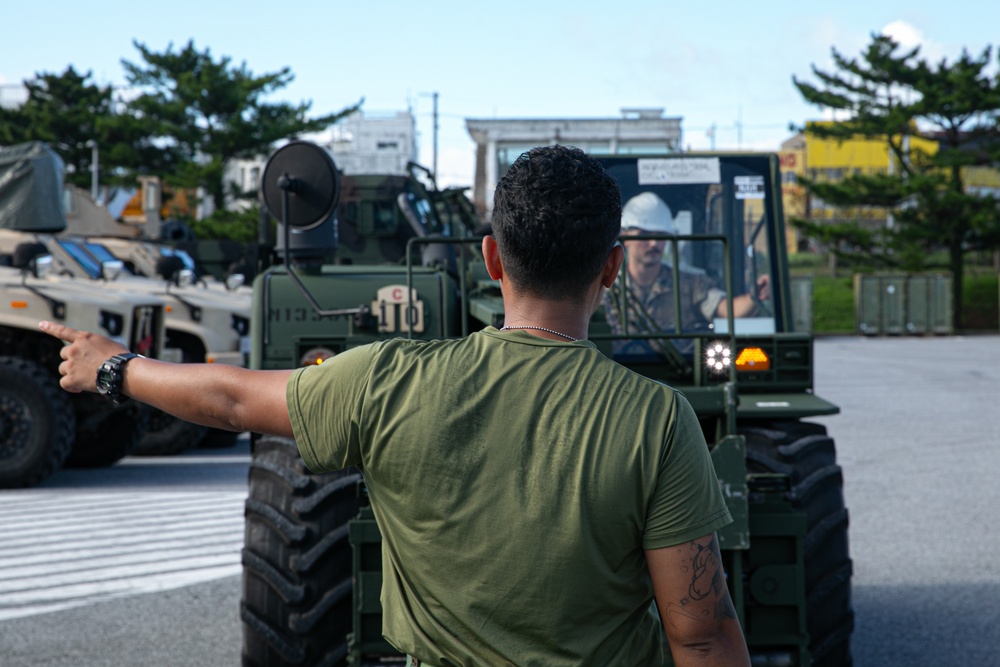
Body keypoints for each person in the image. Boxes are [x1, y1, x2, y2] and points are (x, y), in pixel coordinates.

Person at [42, 145, 750, 667]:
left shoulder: (388, 382)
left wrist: (114, 367)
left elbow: (229, 396)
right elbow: (702, 633)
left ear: (492, 259)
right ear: (611, 266)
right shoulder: (657, 419)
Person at [604, 192, 769, 356]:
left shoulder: (691, 283)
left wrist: (754, 296)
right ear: (625, 236)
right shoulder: (605, 286)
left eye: (661, 236)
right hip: (619, 375)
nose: (654, 244)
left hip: (679, 375)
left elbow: (728, 310)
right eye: (645, 235)